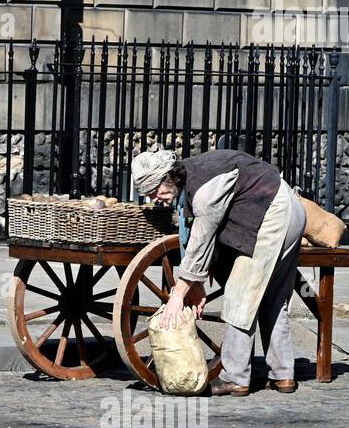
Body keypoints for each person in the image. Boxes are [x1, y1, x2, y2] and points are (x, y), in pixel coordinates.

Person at [130, 147, 307, 397]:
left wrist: (179, 294)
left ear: (167, 177)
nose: (153, 199)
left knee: (240, 295)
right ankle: (283, 375)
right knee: (273, 299)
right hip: (289, 207)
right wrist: (196, 281)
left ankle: (235, 377)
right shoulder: (193, 174)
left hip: (274, 216)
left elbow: (202, 239)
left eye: (153, 191)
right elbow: (205, 233)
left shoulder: (203, 190)